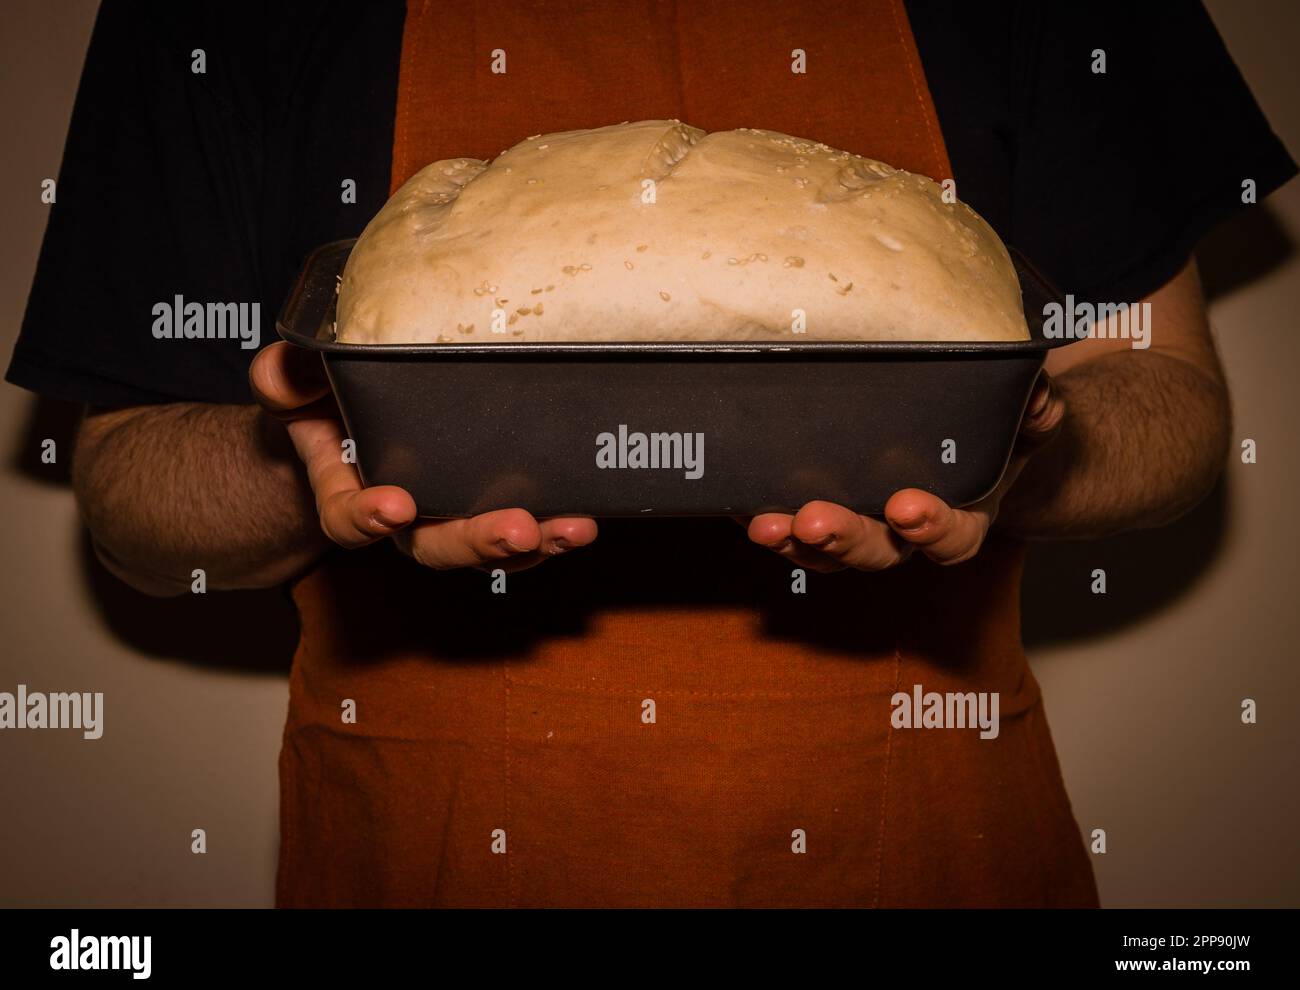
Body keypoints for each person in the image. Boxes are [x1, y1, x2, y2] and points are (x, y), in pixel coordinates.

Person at [9, 0, 1295, 907]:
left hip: (929, 852)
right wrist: (316, 453)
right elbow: (128, 494)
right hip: (431, 860)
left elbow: (1164, 400)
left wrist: (1016, 449)